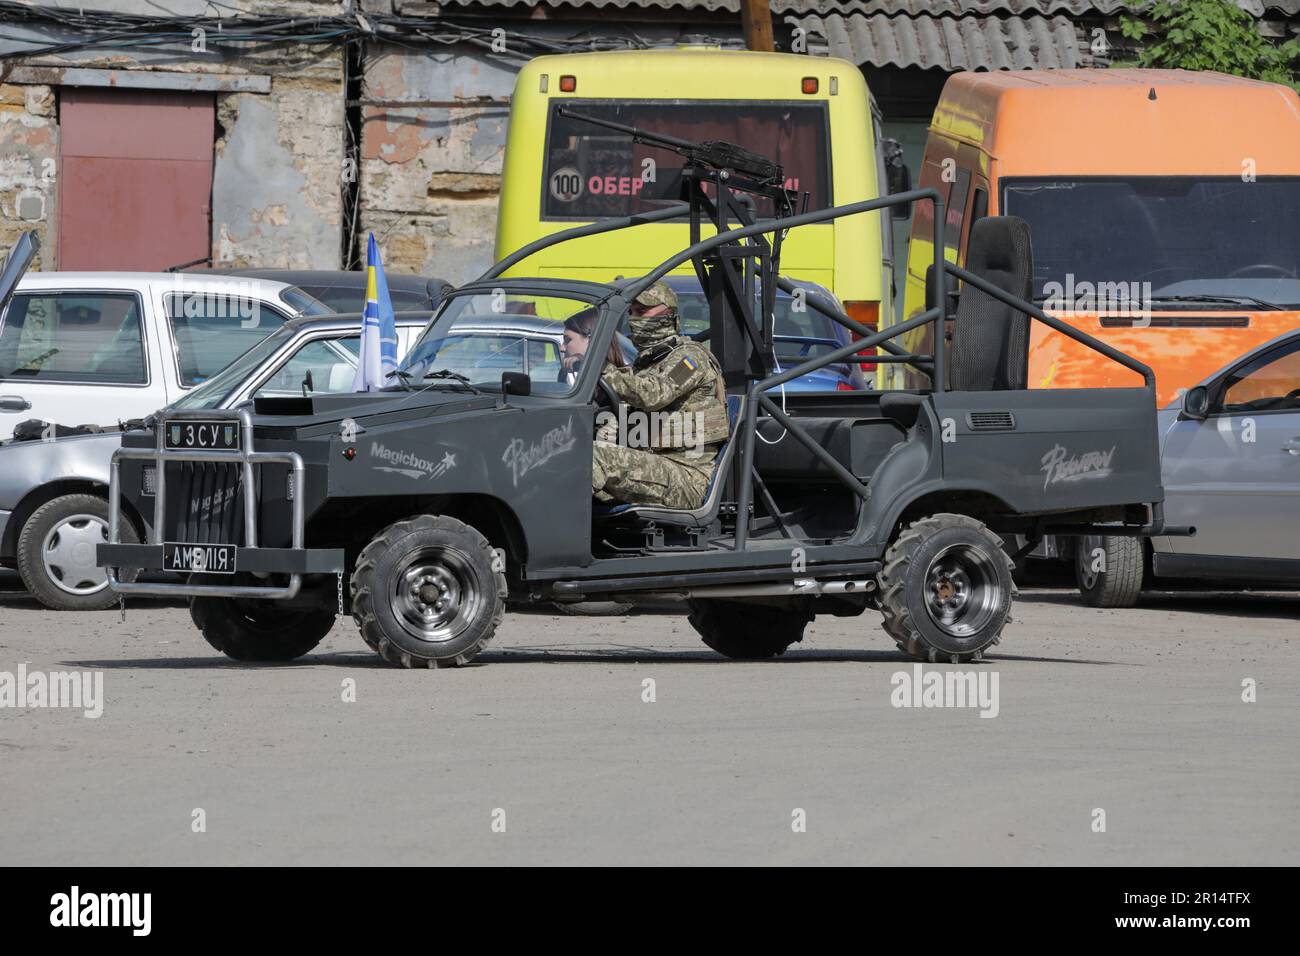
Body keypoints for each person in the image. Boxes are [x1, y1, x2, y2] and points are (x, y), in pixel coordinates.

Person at [592, 281, 729, 510]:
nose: (635, 319)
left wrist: (600, 368)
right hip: (655, 469)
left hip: (686, 476)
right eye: (632, 312)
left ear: (668, 314)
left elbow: (652, 394)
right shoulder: (645, 364)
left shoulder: (690, 358)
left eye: (643, 311)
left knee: (594, 457)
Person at [562, 308, 626, 376]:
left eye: (567, 340)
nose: (562, 348)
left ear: (592, 341)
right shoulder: (588, 375)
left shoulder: (618, 378)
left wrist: (587, 363)